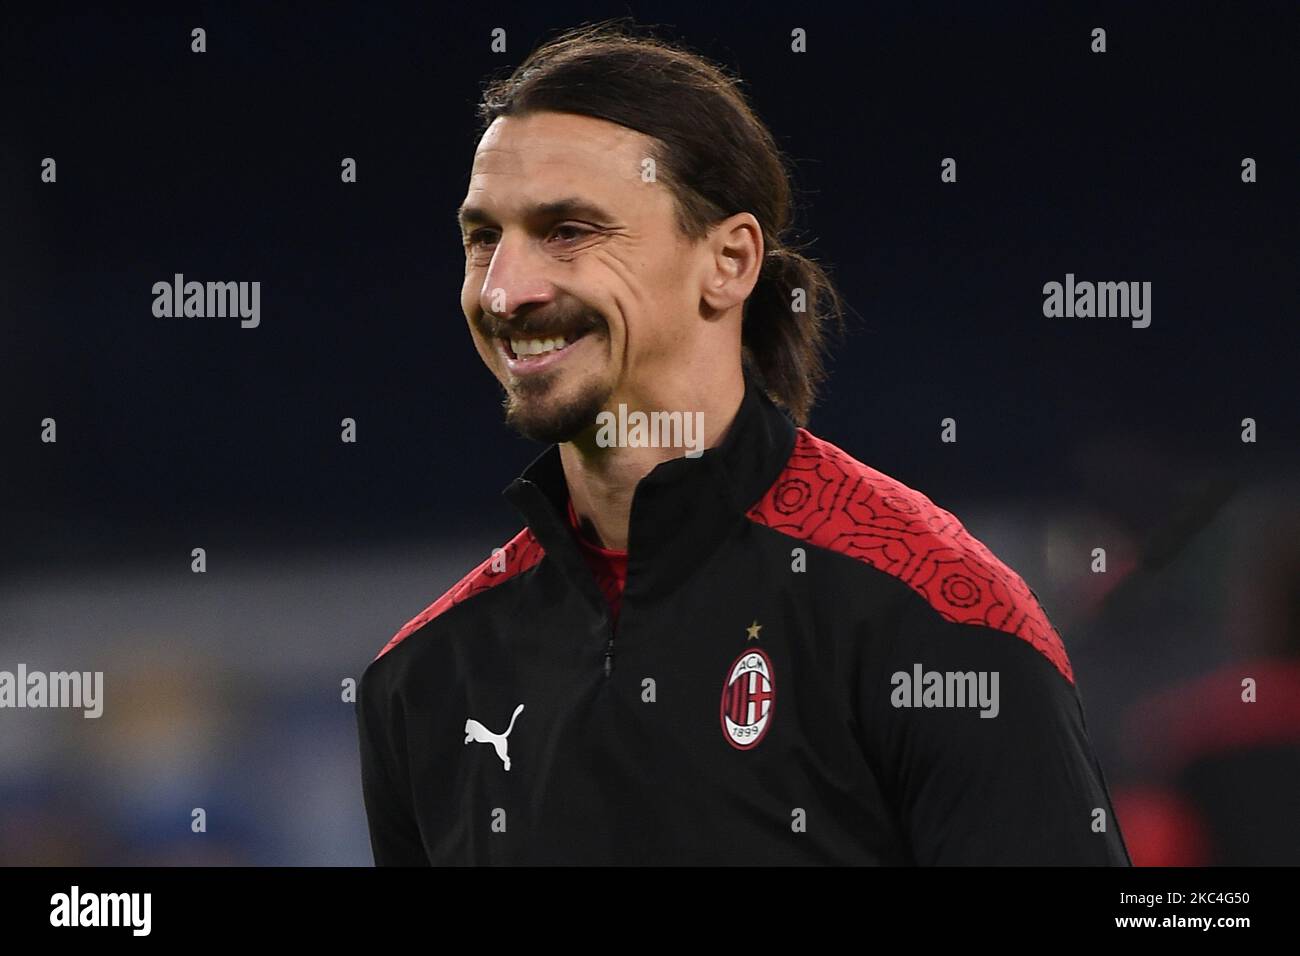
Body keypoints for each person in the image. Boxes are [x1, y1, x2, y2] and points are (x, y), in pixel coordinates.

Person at [356, 20, 1131, 865]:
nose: (505, 290)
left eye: (570, 231)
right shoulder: (424, 680)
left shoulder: (932, 613)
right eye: (482, 239)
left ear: (729, 261)